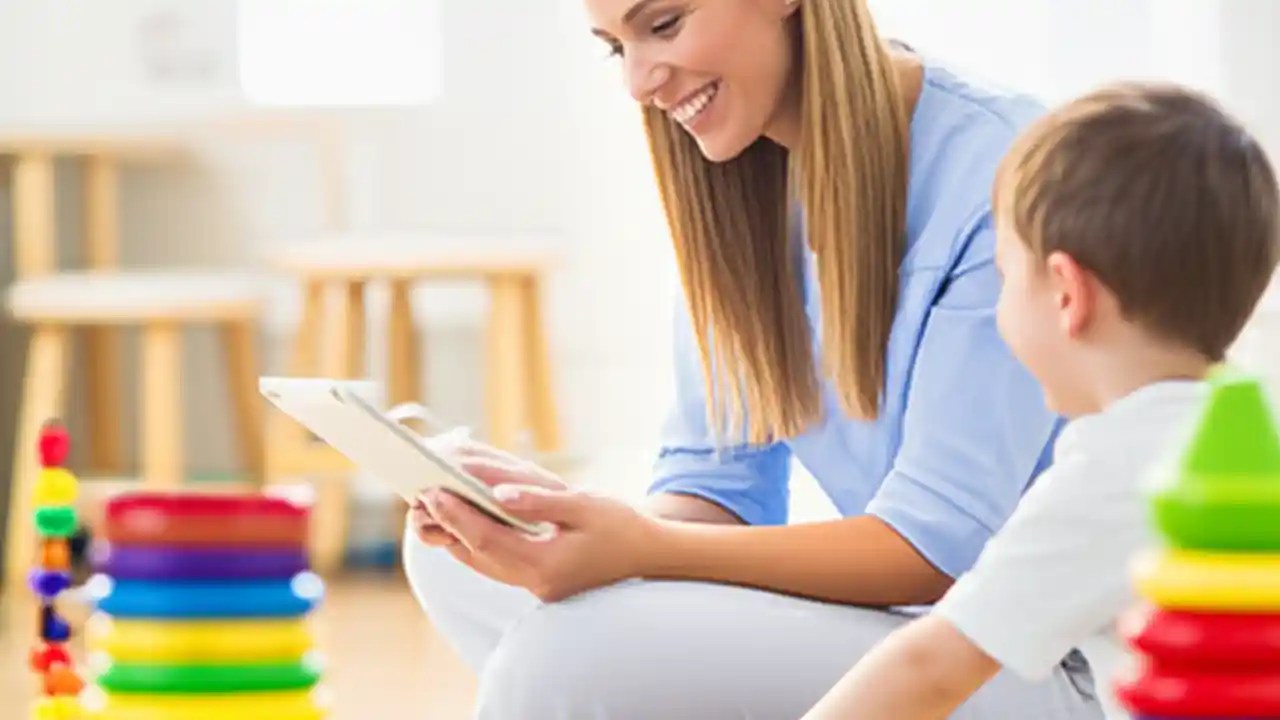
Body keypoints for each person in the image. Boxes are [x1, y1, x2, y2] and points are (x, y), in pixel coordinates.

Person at [402, 1, 1102, 717]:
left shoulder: (1001, 171)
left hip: (1018, 657)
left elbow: (933, 551)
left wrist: (640, 550)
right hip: (903, 628)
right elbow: (718, 491)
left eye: (664, 25)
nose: (640, 83)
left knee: (564, 655)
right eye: (617, 48)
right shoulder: (739, 184)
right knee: (455, 566)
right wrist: (566, 525)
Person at [802, 82, 1280, 720]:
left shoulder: (1122, 471)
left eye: (1004, 276)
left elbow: (933, 665)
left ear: (1065, 293)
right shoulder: (1252, 426)